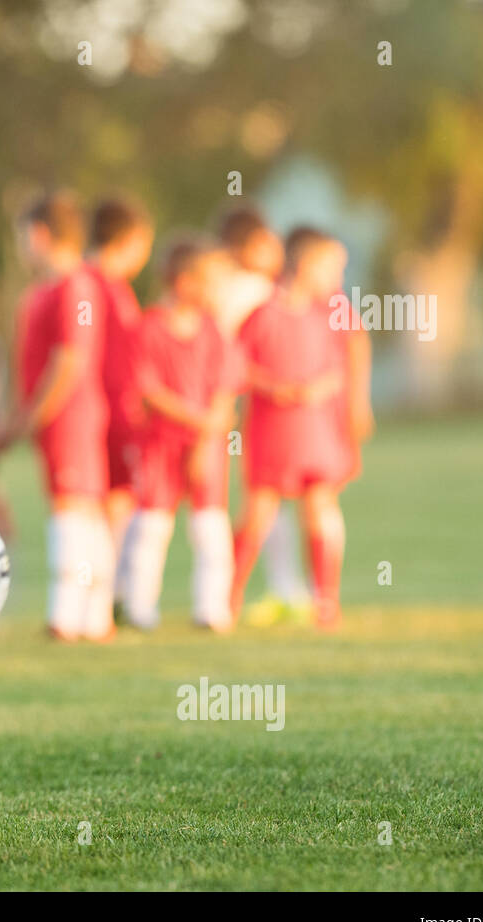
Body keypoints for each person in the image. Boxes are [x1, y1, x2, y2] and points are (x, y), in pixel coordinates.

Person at [229, 227, 359, 629]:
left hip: (318, 430)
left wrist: (330, 390)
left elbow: (344, 360)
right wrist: (275, 387)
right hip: (274, 431)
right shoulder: (263, 314)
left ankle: (326, 602)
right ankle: (227, 600)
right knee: (260, 512)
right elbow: (235, 367)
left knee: (320, 507)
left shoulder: (331, 313)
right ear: (304, 266)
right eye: (331, 268)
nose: (337, 278)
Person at [10, 191, 114, 642]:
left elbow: (70, 359)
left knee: (73, 510)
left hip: (71, 417)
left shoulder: (76, 286)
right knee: (82, 509)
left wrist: (34, 415)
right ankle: (94, 616)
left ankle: (68, 615)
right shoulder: (45, 290)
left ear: (38, 235)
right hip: (62, 418)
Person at [122, 241, 235, 631]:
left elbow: (224, 389)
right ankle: (139, 607)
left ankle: (212, 609)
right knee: (152, 525)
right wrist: (199, 421)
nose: (215, 291)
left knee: (210, 527)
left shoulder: (212, 330)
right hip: (160, 443)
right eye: (209, 282)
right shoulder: (150, 327)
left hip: (206, 445)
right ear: (185, 282)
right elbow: (149, 391)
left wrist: (205, 438)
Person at [212, 207, 311, 625]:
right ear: (244, 248)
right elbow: (235, 354)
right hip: (252, 409)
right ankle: (229, 595)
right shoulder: (246, 289)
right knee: (260, 501)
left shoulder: (241, 286)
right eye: (266, 242)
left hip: (250, 407)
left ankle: (285, 588)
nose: (276, 250)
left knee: (270, 502)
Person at [87, 196, 154, 618]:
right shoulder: (99, 287)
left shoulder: (108, 287)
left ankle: (109, 592)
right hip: (109, 413)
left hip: (108, 412)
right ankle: (105, 594)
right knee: (111, 502)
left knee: (113, 501)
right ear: (128, 241)